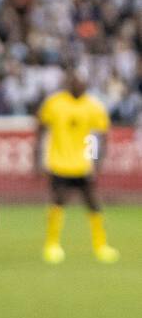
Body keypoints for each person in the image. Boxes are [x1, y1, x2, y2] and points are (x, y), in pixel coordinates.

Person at [36, 69, 117, 264]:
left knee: (93, 203)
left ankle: (100, 245)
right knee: (58, 201)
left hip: (83, 163)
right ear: (69, 83)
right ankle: (52, 245)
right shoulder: (54, 103)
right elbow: (41, 130)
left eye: (81, 82)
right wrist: (38, 159)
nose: (78, 85)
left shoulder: (94, 106)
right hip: (59, 162)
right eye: (74, 82)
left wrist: (96, 162)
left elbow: (100, 137)